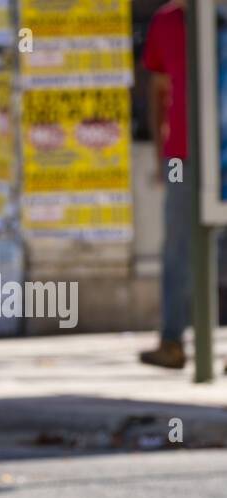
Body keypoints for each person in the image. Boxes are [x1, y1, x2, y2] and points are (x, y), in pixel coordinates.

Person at [140, 0, 192, 369]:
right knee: (175, 244)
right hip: (179, 157)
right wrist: (162, 157)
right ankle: (172, 342)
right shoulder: (166, 21)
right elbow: (158, 89)